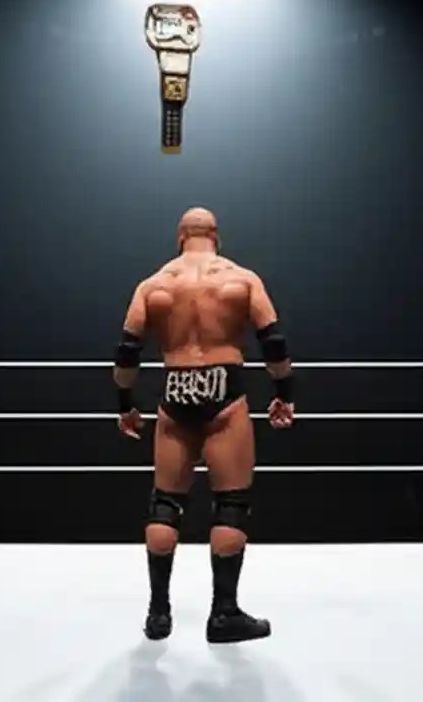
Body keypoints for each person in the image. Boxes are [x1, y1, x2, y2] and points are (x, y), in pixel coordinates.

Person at [112, 207, 295, 644]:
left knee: (165, 503)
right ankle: (224, 615)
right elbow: (274, 345)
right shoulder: (242, 279)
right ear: (217, 237)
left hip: (174, 393)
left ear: (180, 237)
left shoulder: (153, 284)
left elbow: (126, 355)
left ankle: (158, 615)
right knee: (231, 502)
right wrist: (284, 394)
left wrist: (125, 404)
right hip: (225, 392)